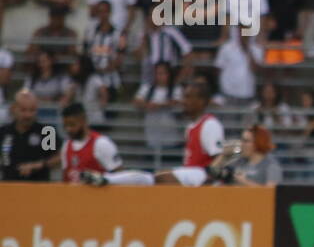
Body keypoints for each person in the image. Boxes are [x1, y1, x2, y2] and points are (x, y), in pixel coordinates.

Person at [84, 78, 227, 187]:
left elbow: (220, 158)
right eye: (184, 96)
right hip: (191, 174)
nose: (183, 101)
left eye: (188, 97)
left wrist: (207, 185)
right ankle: (106, 179)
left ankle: (107, 179)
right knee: (148, 178)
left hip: (202, 175)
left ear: (201, 101)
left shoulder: (209, 124)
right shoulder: (191, 126)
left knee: (159, 178)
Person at [1, 90, 60, 180]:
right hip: (9, 187)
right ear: (13, 109)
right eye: (23, 110)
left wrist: (38, 165)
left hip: (39, 188)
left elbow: (59, 157)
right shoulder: (4, 132)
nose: (28, 115)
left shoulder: (46, 132)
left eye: (32, 110)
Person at [58, 100, 122, 183]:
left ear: (83, 121)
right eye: (65, 126)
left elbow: (120, 175)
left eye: (72, 125)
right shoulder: (66, 146)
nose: (68, 129)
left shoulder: (101, 143)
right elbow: (66, 177)